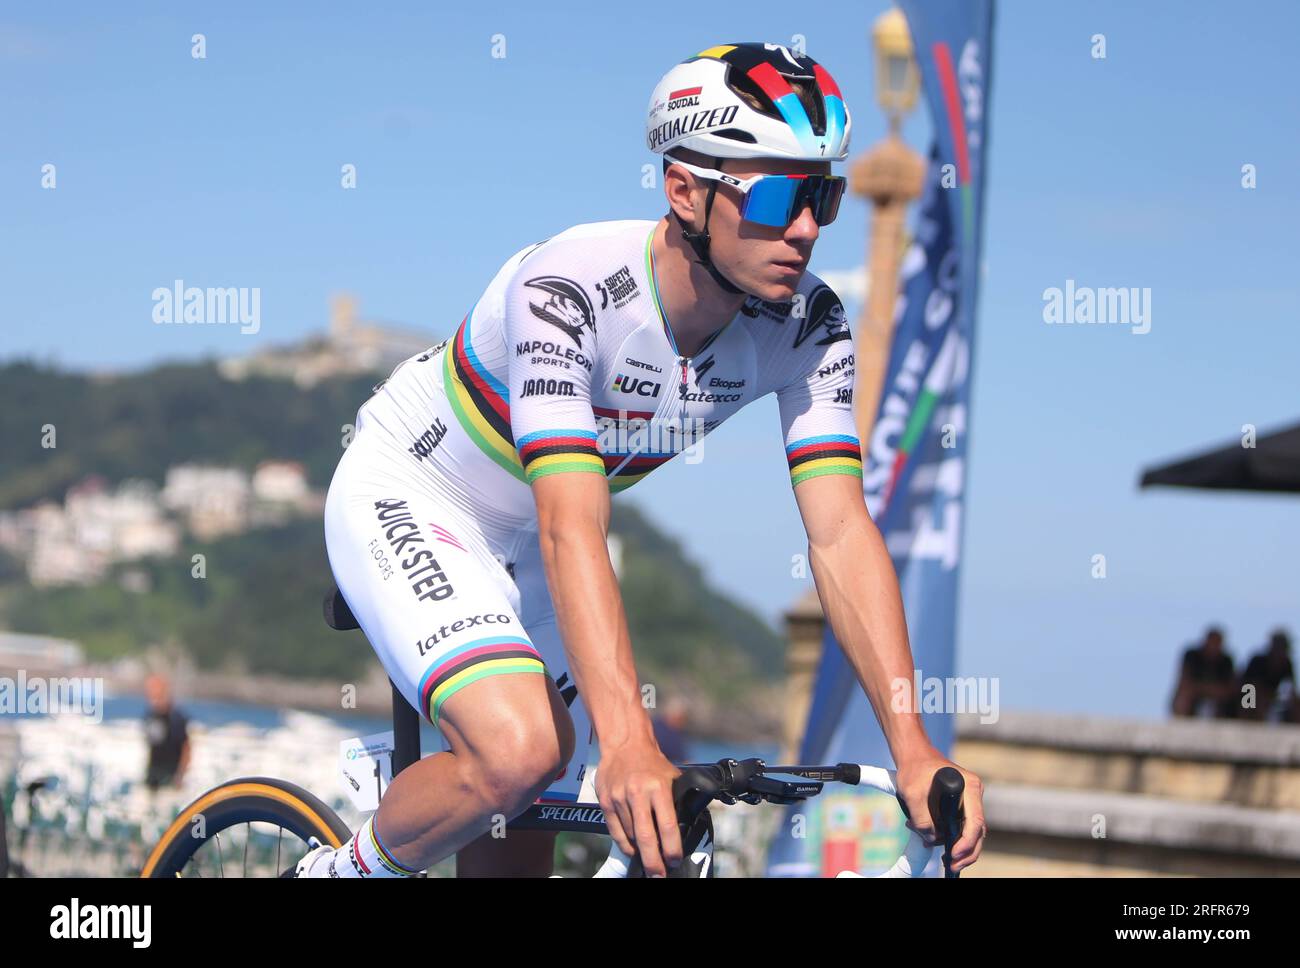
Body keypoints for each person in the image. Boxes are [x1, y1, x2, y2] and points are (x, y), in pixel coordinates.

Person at [299, 42, 986, 879]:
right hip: (418, 491)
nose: (805, 227)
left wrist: (912, 748)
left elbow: (841, 533)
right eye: (775, 194)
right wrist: (626, 739)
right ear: (685, 190)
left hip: (531, 549)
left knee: (535, 839)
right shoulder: (569, 289)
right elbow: (572, 522)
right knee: (521, 753)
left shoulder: (807, 326)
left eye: (822, 195)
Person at [1170, 626, 1236, 719]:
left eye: (1217, 643)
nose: (1214, 646)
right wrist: (1207, 689)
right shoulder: (1192, 656)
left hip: (1218, 702)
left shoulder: (1226, 661)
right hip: (1194, 698)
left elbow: (1230, 688)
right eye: (1212, 642)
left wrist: (1207, 689)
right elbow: (1185, 682)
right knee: (1184, 696)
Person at [142, 674, 190, 791]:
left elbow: (186, 748)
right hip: (153, 775)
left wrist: (180, 776)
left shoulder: (176, 717)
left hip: (170, 777)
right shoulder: (150, 715)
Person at [1237, 629, 1295, 722]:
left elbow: (1291, 688)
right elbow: (1249, 684)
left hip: (1272, 697)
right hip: (1246, 693)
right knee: (1253, 697)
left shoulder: (1286, 664)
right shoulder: (1258, 660)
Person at [651, 697, 691, 765]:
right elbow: (686, 763)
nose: (684, 722)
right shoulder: (670, 735)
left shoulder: (654, 723)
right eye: (682, 718)